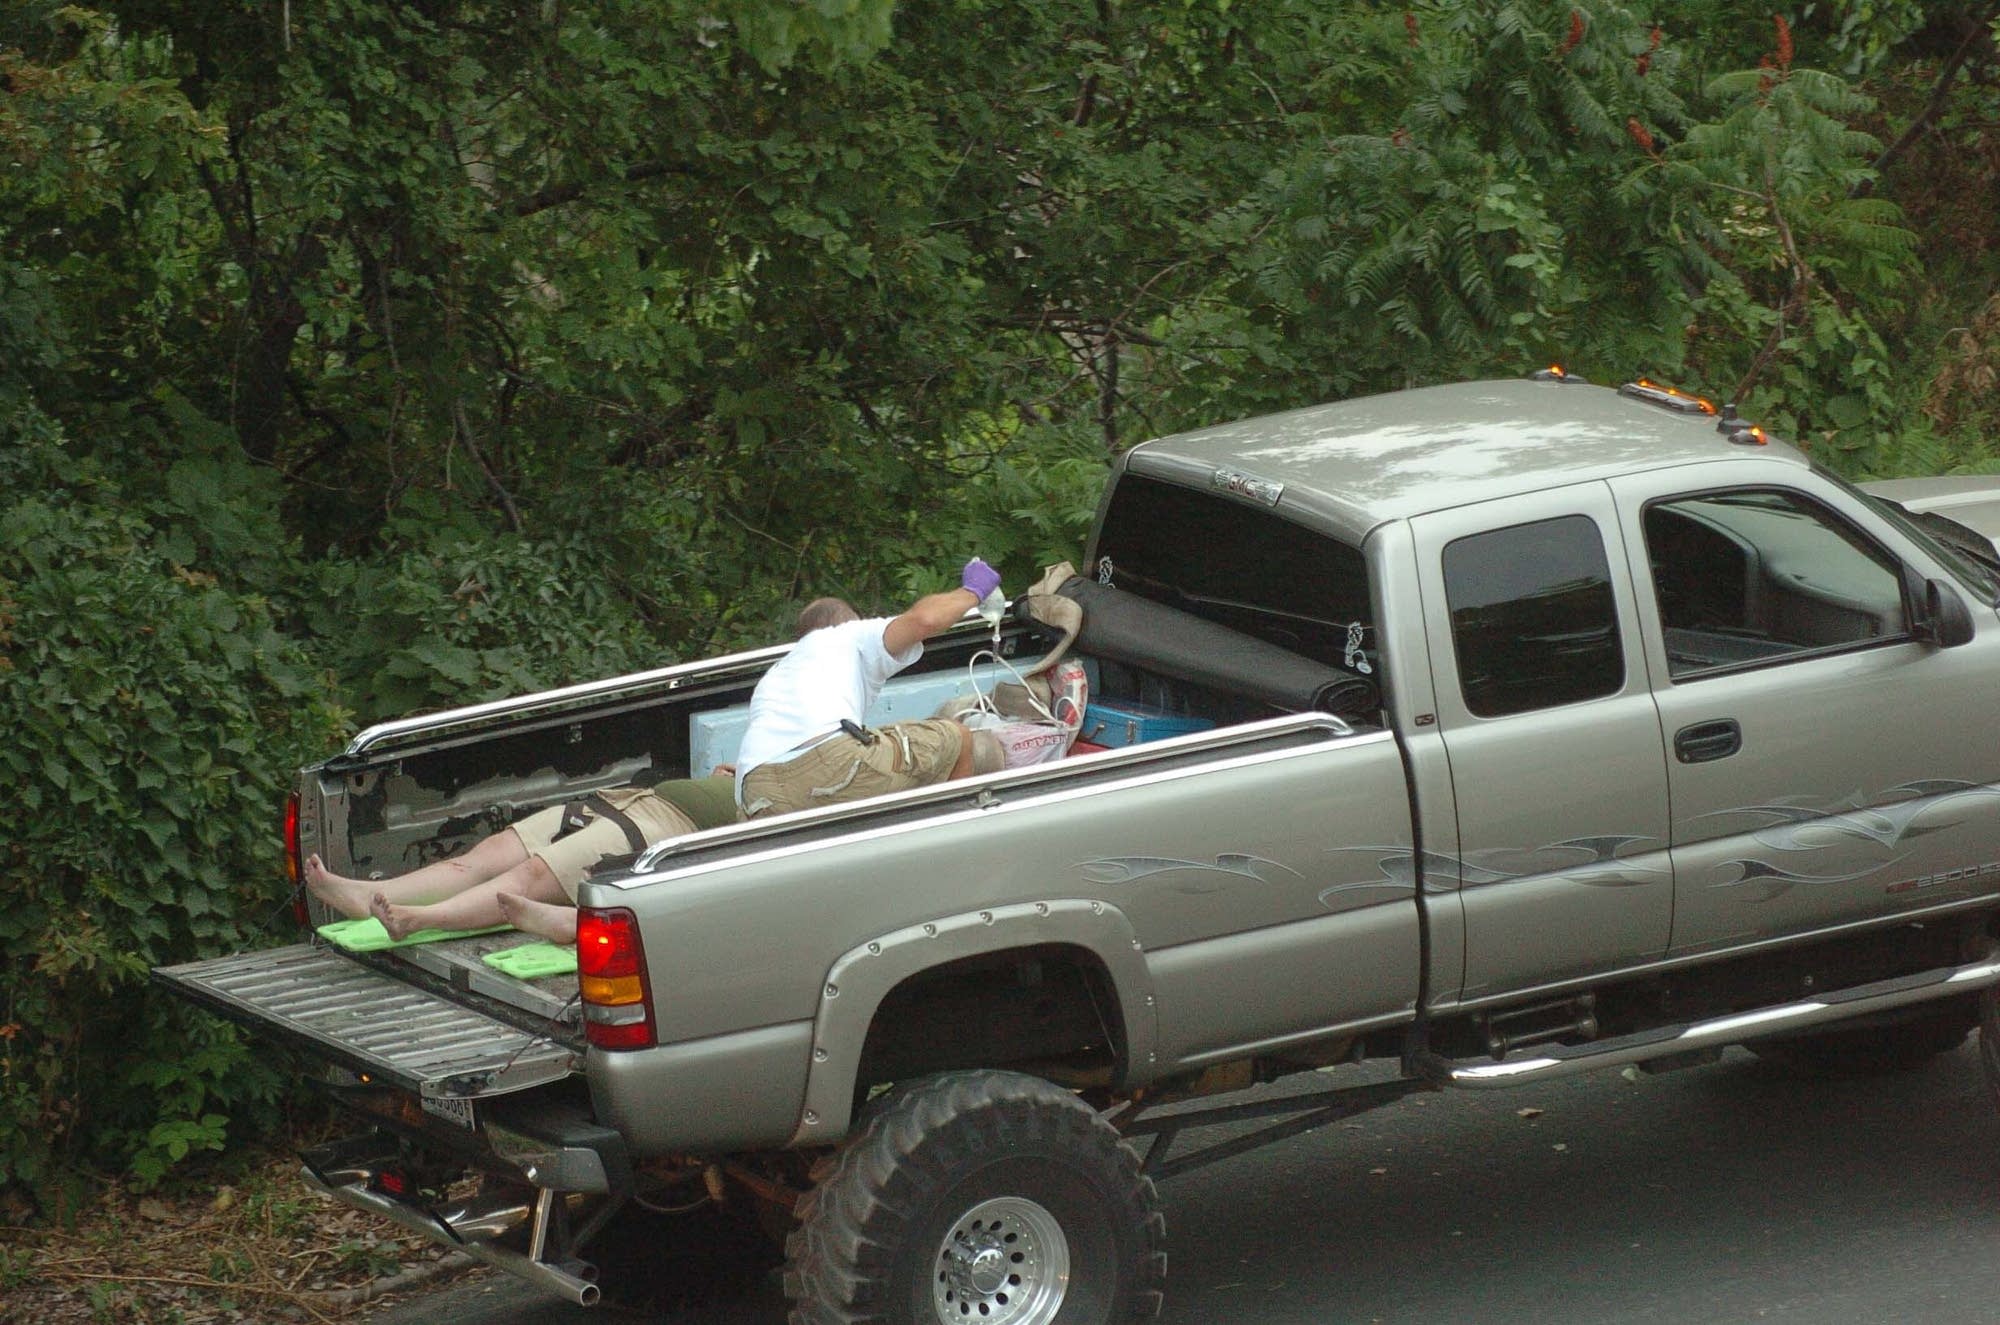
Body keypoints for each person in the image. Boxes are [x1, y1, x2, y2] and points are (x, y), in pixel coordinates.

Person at [304, 775, 739, 944]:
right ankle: (365, 895)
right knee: (487, 853)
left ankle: (417, 918)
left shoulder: (794, 791)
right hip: (626, 801)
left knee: (527, 876)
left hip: (664, 827)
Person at [734, 557, 1002, 819]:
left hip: (756, 789)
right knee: (957, 737)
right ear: (850, 622)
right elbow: (925, 620)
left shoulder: (776, 674)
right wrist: (973, 591)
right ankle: (949, 845)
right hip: (830, 763)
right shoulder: (844, 634)